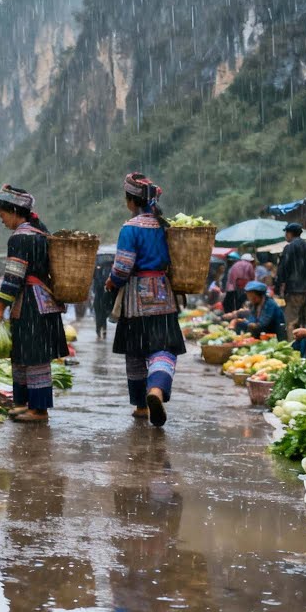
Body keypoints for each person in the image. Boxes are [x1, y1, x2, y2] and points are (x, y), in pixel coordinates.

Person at [105, 173, 185, 427]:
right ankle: (156, 390)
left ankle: (141, 405)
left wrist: (111, 282)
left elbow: (122, 267)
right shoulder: (165, 226)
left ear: (131, 201)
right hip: (162, 294)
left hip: (135, 299)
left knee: (136, 351)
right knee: (163, 348)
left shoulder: (130, 228)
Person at [0, 185, 69, 424]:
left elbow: (14, 275)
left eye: (3, 215)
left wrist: (0, 306)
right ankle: (25, 404)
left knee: (32, 356)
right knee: (30, 354)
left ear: (14, 212)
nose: (2, 221)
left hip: (31, 304)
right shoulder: (40, 234)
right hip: (45, 303)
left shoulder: (20, 238)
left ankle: (38, 409)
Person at [277, 223, 306, 332]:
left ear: (289, 233)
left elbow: (282, 271)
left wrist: (279, 287)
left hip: (294, 291)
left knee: (292, 322)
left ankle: (292, 347)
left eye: (286, 233)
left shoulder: (288, 248)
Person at [91, 258, 112, 340]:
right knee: (100, 312)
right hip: (99, 293)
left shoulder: (107, 269)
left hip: (104, 293)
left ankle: (101, 329)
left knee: (102, 312)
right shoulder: (97, 268)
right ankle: (100, 329)